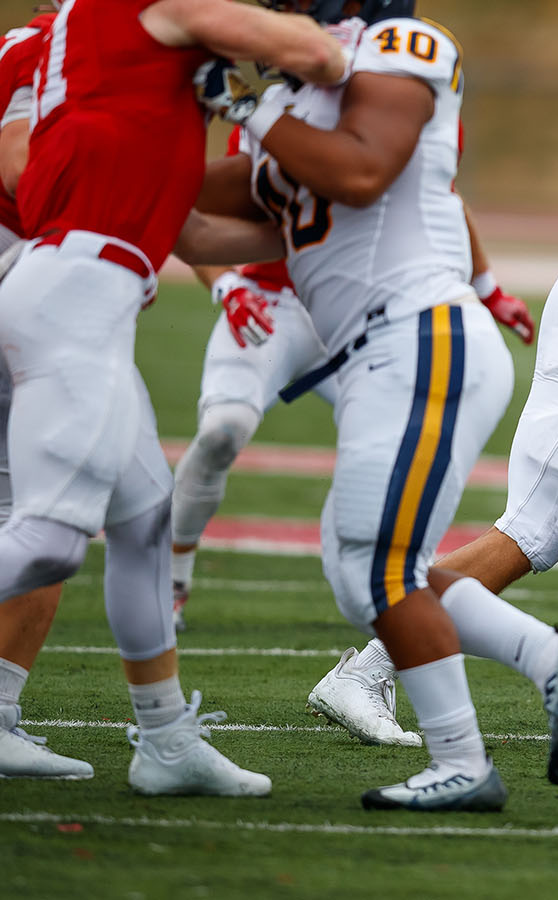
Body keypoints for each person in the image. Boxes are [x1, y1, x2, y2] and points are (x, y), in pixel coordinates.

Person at [176, 0, 558, 810]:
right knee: (361, 574)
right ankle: (553, 660)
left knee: (376, 569)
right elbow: (202, 231)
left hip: (420, 335)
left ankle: (463, 762)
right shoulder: (303, 112)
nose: (270, 22)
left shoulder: (394, 49)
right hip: (387, 351)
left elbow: (362, 171)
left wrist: (247, 103)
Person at [0, 0, 345, 795]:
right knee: (49, 541)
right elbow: (319, 55)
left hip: (87, 285)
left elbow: (190, 234)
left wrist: (331, 229)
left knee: (146, 523)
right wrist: (250, 96)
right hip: (74, 287)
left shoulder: (124, 60)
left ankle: (164, 740)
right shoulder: (155, 11)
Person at [171, 129, 536, 639]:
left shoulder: (385, 104)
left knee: (402, 441)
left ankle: (406, 577)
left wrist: (487, 288)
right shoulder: (275, 116)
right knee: (223, 428)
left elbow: (442, 193)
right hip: (271, 301)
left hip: (356, 314)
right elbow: (192, 216)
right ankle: (171, 577)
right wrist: (228, 284)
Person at [0, 8, 93, 781]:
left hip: (36, 259)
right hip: (26, 260)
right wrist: (69, 247)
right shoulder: (56, 43)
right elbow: (17, 158)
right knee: (48, 510)